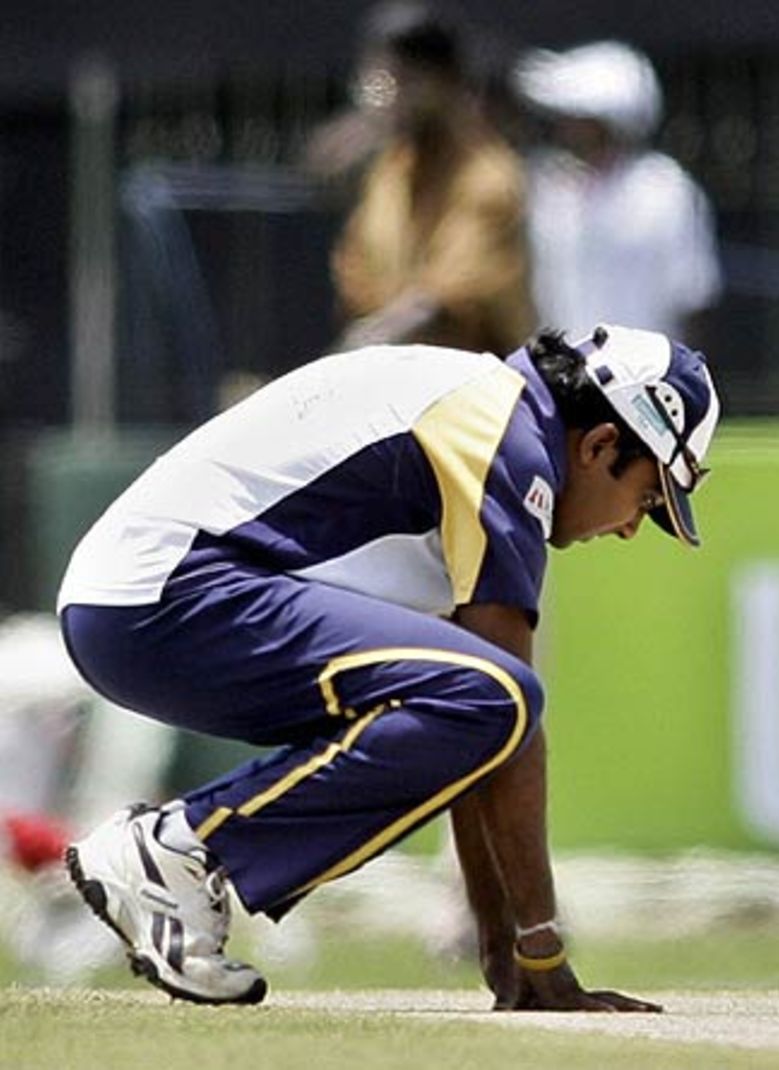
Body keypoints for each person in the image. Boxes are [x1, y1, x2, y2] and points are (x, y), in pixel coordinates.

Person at [57, 323, 720, 1009]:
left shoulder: (488, 407)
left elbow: (479, 742)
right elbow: (506, 718)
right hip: (169, 594)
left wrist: (504, 952)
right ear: (601, 445)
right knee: (497, 695)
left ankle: (185, 854)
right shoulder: (507, 441)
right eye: (647, 498)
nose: (632, 528)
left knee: (479, 700)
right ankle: (181, 847)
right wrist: (543, 950)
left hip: (134, 604)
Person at [308, 1, 535, 355]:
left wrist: (363, 344)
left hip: (476, 387)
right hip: (399, 385)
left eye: (405, 82)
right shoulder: (391, 170)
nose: (388, 98)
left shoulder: (488, 175)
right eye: (379, 83)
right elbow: (359, 274)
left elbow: (444, 298)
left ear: (446, 84)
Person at [513, 41, 722, 341]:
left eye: (579, 119)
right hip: (561, 375)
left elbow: (692, 295)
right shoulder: (548, 188)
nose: (565, 127)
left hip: (640, 376)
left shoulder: (664, 189)